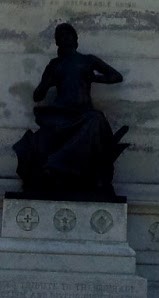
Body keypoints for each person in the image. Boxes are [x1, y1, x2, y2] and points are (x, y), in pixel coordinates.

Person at [13, 23, 129, 199]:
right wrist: (47, 83)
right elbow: (37, 95)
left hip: (83, 113)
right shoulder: (55, 64)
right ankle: (55, 166)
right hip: (60, 114)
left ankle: (56, 164)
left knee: (96, 120)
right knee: (88, 122)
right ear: (57, 42)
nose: (64, 38)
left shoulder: (88, 60)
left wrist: (95, 78)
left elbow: (116, 76)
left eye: (68, 35)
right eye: (60, 36)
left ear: (76, 39)